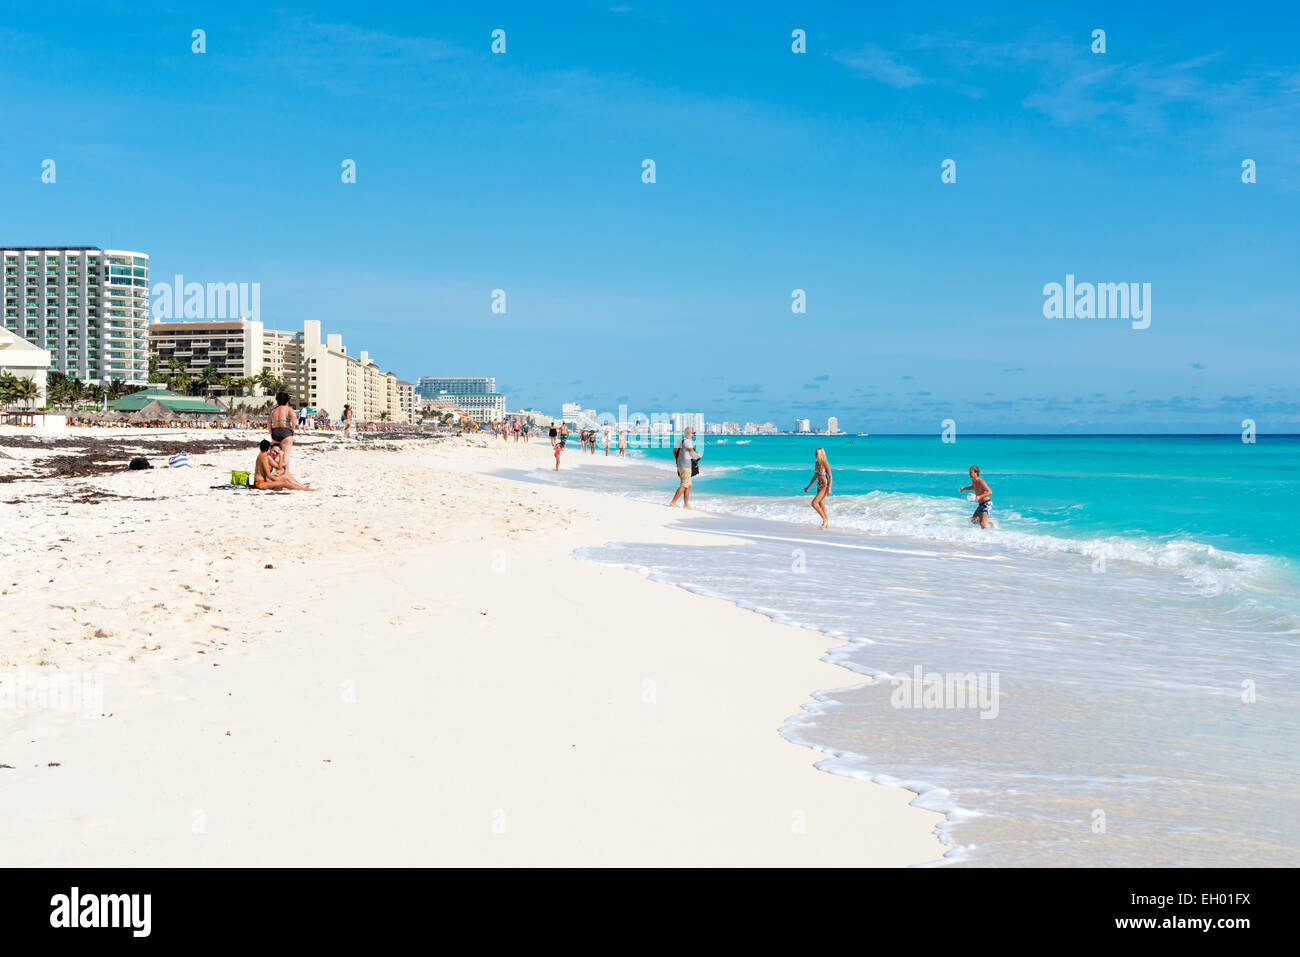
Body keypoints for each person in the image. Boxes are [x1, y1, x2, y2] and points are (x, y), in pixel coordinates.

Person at [669, 426, 700, 508]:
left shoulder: (680, 441)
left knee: (688, 485)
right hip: (685, 466)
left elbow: (673, 451)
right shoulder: (688, 441)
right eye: (693, 433)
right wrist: (699, 455)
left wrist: (678, 459)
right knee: (684, 484)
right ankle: (673, 502)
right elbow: (692, 453)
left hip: (680, 465)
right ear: (689, 433)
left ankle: (686, 504)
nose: (694, 434)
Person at [803, 447, 833, 529]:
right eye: (815, 453)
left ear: (821, 454)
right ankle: (827, 526)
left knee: (814, 503)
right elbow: (815, 476)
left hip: (824, 486)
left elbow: (830, 477)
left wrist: (829, 488)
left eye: (817, 453)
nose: (815, 455)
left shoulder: (825, 463)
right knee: (822, 506)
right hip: (818, 486)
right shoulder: (816, 463)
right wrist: (808, 487)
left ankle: (824, 520)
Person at [267, 392, 295, 469]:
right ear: (287, 401)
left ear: (277, 401)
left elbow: (269, 423)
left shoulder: (273, 410)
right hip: (286, 432)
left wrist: (271, 432)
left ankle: (278, 470)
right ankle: (285, 473)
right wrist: (292, 429)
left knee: (276, 454)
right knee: (285, 454)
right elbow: (294, 418)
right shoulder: (289, 409)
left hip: (275, 432)